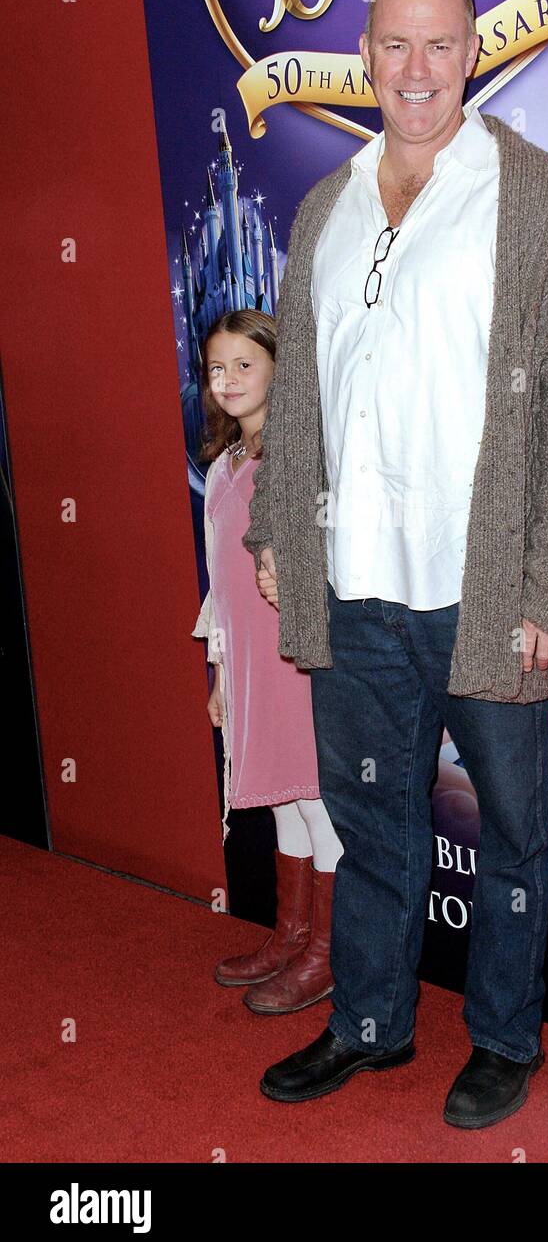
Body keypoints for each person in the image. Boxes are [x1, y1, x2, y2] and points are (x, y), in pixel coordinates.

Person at [243, 0, 548, 1128]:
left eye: (439, 46)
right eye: (394, 47)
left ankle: (506, 1039)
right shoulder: (328, 205)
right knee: (373, 821)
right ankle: (368, 1024)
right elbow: (301, 398)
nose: (416, 71)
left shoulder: (539, 201)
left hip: (490, 595)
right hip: (355, 585)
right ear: (367, 53)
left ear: (472, 52)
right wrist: (276, 528)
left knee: (515, 832)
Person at [192, 309, 343, 1014]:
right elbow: (220, 587)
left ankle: (328, 955)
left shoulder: (301, 457)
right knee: (282, 796)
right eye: (215, 369)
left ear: (280, 370)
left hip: (300, 658)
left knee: (316, 799)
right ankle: (290, 937)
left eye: (243, 365)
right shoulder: (223, 465)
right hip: (251, 664)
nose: (227, 380)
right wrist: (222, 675)